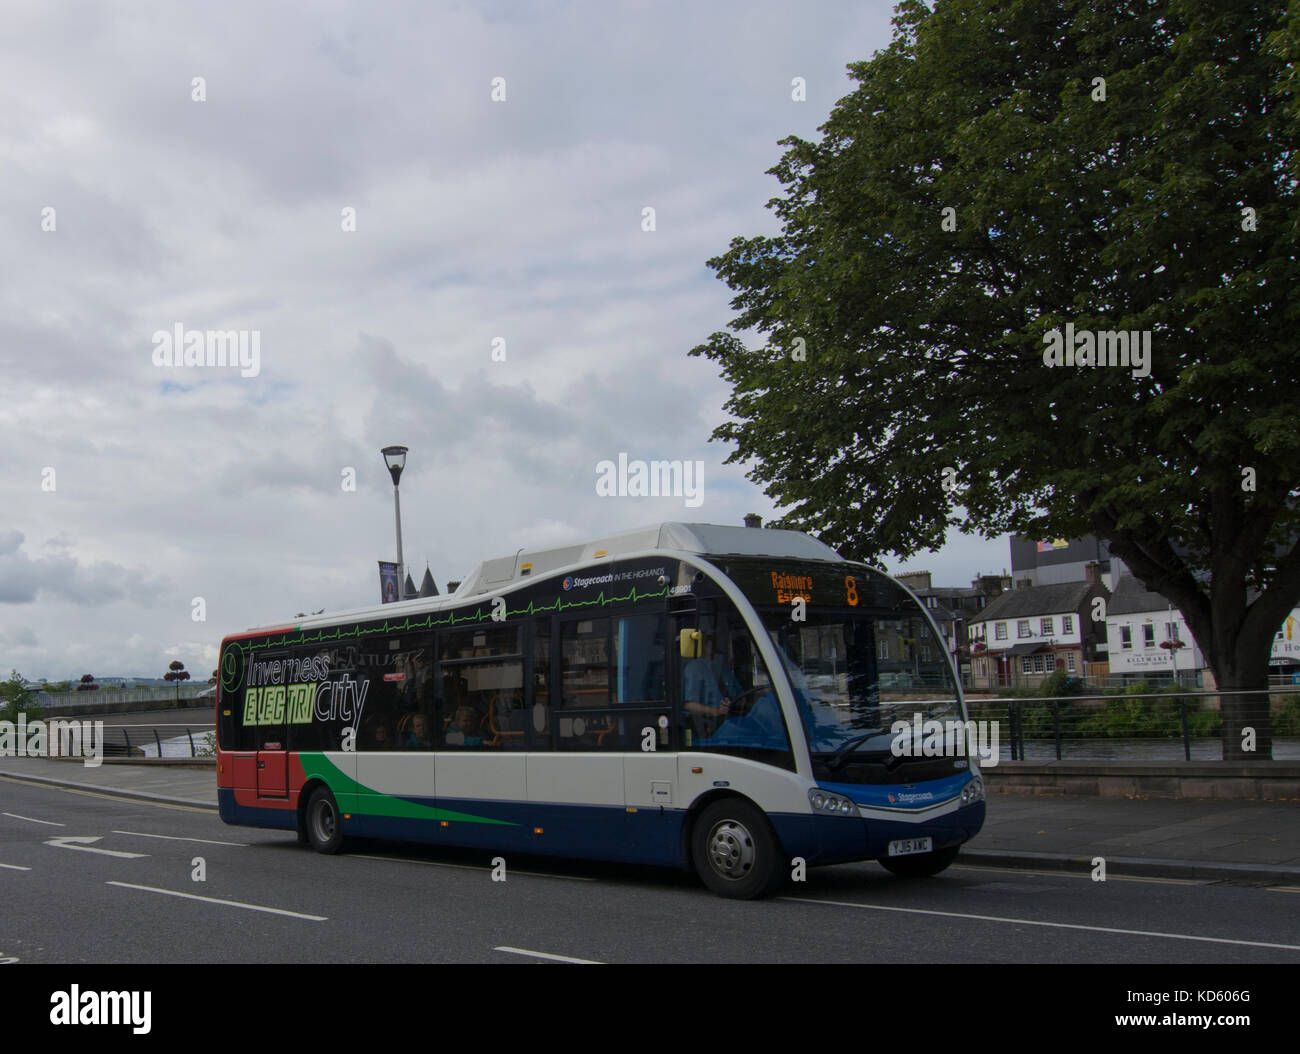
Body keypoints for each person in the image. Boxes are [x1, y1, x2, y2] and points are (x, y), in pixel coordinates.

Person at [683, 632, 743, 738]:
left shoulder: (723, 667)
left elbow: (740, 694)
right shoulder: (694, 668)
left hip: (732, 719)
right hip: (709, 724)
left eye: (714, 643)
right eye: (709, 643)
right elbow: (689, 705)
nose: (713, 647)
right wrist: (714, 711)